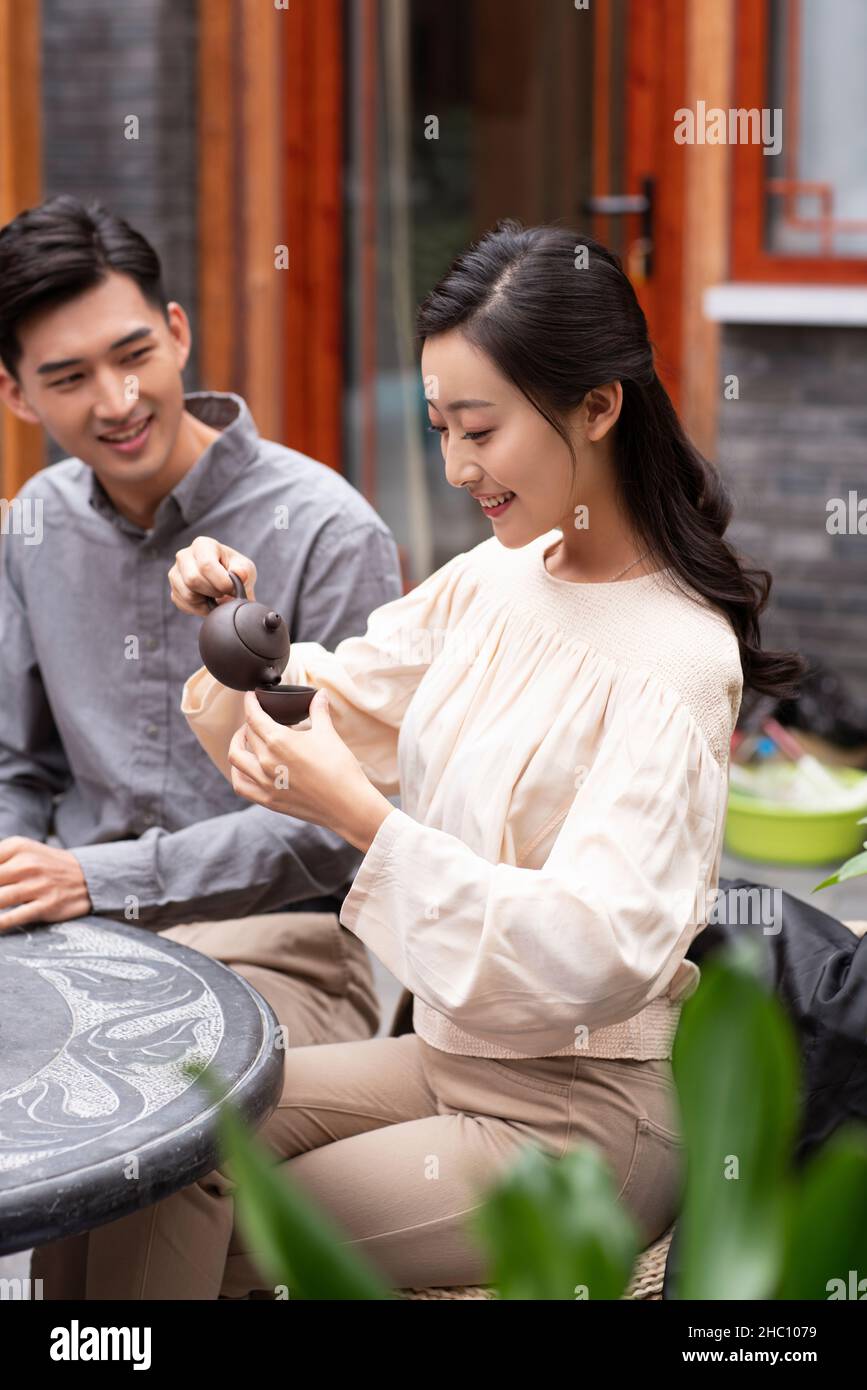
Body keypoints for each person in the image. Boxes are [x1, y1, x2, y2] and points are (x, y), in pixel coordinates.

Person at [80, 219, 805, 1299]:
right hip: (450, 1062)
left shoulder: (676, 660)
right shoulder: (499, 576)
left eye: (481, 429)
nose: (458, 467)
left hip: (582, 1117)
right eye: (439, 428)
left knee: (206, 1209)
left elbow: (594, 949)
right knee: (151, 1151)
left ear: (600, 406)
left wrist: (371, 823)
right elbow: (323, 704)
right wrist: (238, 633)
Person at [0, 196, 404, 1294]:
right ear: (16, 391)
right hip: (66, 948)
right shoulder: (30, 528)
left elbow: (340, 832)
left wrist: (96, 879)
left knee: (155, 1122)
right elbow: (18, 767)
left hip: (282, 946)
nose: (118, 400)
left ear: (178, 330)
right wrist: (20, 874)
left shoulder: (328, 531)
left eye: (135, 354)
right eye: (69, 376)